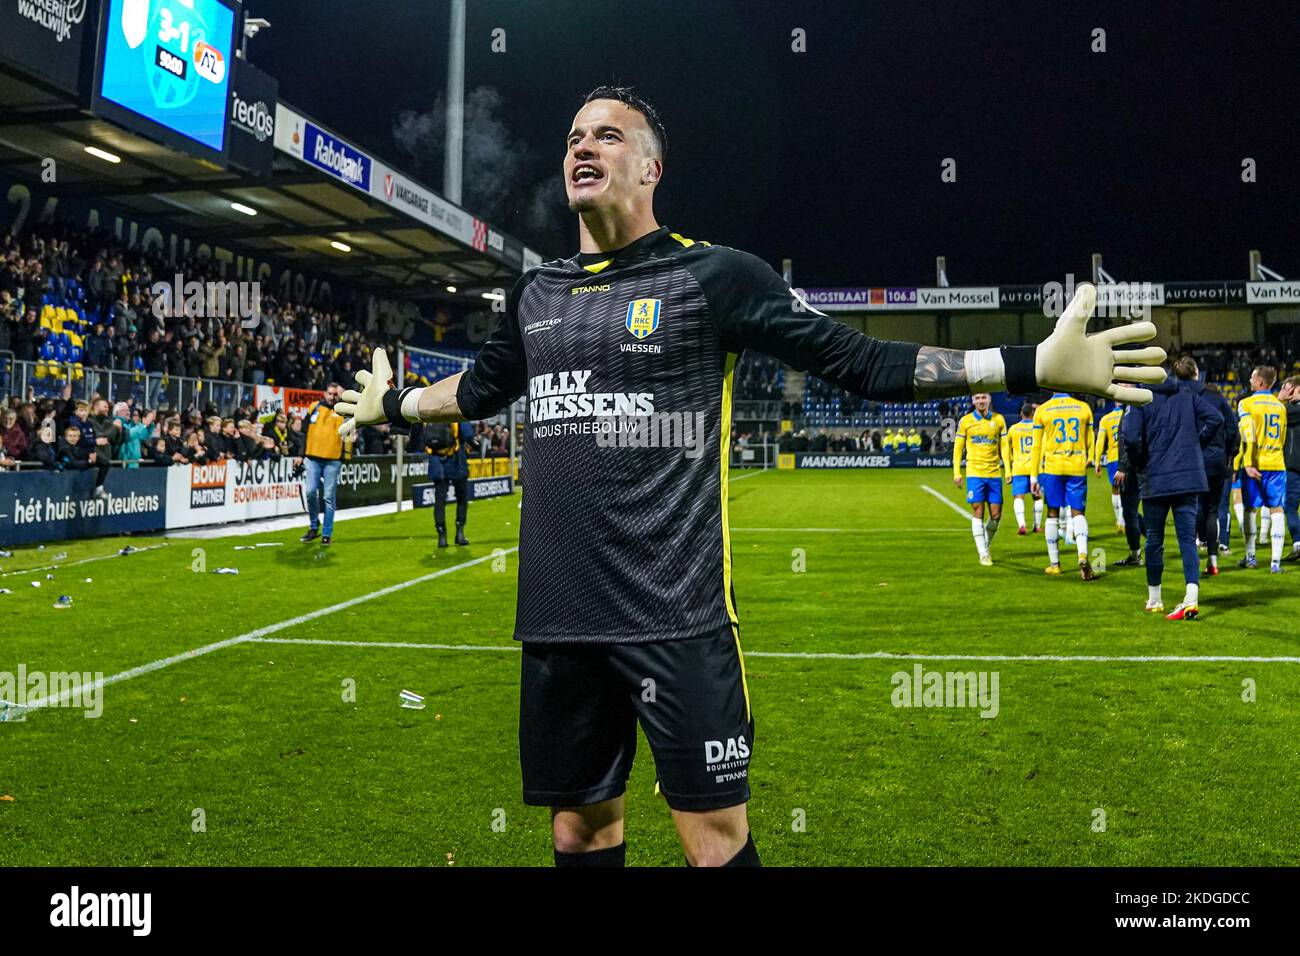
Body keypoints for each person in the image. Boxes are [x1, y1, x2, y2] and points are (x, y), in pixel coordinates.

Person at [331, 86, 1164, 868]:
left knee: (713, 836)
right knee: (579, 825)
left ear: (651, 168)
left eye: (607, 136)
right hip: (558, 619)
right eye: (574, 138)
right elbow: (477, 391)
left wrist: (1022, 363)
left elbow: (864, 361)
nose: (583, 147)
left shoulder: (716, 277)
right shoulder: (535, 293)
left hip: (677, 613)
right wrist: (396, 403)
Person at [1118, 367, 1223, 619]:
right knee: (1187, 539)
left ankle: (1155, 599)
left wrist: (1137, 461)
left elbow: (1131, 438)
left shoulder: (1140, 399)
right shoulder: (1186, 394)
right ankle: (1191, 597)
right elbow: (1216, 419)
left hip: (1155, 478)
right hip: (1188, 476)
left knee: (1155, 539)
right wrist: (1197, 442)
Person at [1172, 358, 1237, 576]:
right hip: (1215, 460)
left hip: (1187, 461)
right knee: (1212, 510)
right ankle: (1213, 561)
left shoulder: (1173, 398)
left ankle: (1193, 562)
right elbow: (1231, 427)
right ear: (1196, 372)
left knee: (1193, 509)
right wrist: (1230, 453)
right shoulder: (1215, 396)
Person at [1031, 392, 1096, 579]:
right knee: (1078, 513)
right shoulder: (1083, 407)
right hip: (1077, 466)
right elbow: (1090, 438)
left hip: (1052, 468)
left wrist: (1033, 477)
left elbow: (1036, 447)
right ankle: (1082, 554)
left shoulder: (1043, 410)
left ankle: (1055, 564)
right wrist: (1090, 457)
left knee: (1052, 513)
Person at [1236, 366, 1288, 572]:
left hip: (1255, 464)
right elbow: (1282, 437)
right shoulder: (1280, 406)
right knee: (1277, 509)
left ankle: (1251, 557)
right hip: (1276, 463)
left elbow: (1248, 434)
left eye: (1252, 377)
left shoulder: (1246, 404)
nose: (1249, 380)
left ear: (1259, 382)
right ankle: (1275, 563)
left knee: (1250, 509)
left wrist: (1248, 462)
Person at [951, 393, 1008, 565]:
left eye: (984, 398)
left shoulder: (999, 420)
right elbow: (958, 448)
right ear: (973, 401)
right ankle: (983, 553)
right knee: (977, 510)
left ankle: (985, 546)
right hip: (975, 473)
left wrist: (1009, 470)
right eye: (977, 398)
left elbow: (1004, 446)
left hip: (994, 474)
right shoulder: (966, 421)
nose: (981, 401)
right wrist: (957, 473)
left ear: (990, 399)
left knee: (996, 515)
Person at [300, 383, 347, 546]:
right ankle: (314, 526)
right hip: (312, 457)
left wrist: (345, 457)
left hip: (333, 460)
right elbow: (303, 432)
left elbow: (350, 434)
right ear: (324, 393)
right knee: (310, 492)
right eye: (330, 393)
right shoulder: (314, 407)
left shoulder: (343, 411)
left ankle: (327, 533)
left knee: (328, 498)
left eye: (335, 394)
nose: (332, 396)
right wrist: (300, 455)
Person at [422, 419, 477, 548]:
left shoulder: (432, 411)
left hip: (436, 460)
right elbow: (468, 434)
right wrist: (475, 444)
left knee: (439, 500)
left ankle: (442, 536)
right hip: (456, 460)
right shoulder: (456, 412)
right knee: (462, 498)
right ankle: (460, 533)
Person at [1004, 402, 1042, 534]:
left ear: (1021, 413)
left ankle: (1022, 525)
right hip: (1035, 468)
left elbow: (1005, 448)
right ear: (1033, 413)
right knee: (1037, 496)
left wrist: (1009, 462)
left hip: (1019, 467)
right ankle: (1037, 526)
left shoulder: (1013, 429)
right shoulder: (1038, 428)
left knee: (1019, 497)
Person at [1093, 402, 1125, 533]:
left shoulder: (1106, 418)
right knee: (1126, 491)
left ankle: (1119, 520)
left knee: (1115, 489)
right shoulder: (1128, 414)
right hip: (1126, 457)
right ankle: (1123, 519)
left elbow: (1100, 441)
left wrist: (1097, 461)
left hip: (1112, 458)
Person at [1280, 375, 1300, 562]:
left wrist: (1279, 400)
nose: (1287, 393)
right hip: (1292, 468)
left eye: (1290, 389)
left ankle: (1298, 543)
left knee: (1290, 507)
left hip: (1294, 466)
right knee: (1290, 507)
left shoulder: (1288, 411)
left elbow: (1281, 413)